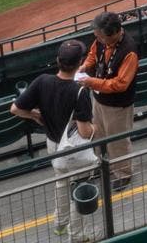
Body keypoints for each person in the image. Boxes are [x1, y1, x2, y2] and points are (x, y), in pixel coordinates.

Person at [11, 40, 95, 241]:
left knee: (61, 182)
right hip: (74, 150)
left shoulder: (42, 81)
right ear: (80, 62)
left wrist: (34, 115)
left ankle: (59, 224)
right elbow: (85, 132)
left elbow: (15, 109)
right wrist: (97, 128)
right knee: (80, 188)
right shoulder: (80, 90)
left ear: (58, 61)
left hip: (53, 145)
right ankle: (76, 235)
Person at [76, 12, 137, 189]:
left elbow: (120, 84)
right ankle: (102, 164)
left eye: (100, 37)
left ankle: (123, 173)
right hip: (99, 99)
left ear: (114, 33)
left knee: (117, 141)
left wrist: (91, 81)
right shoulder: (101, 40)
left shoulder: (129, 51)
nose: (98, 39)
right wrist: (86, 66)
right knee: (98, 134)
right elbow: (93, 54)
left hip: (118, 106)